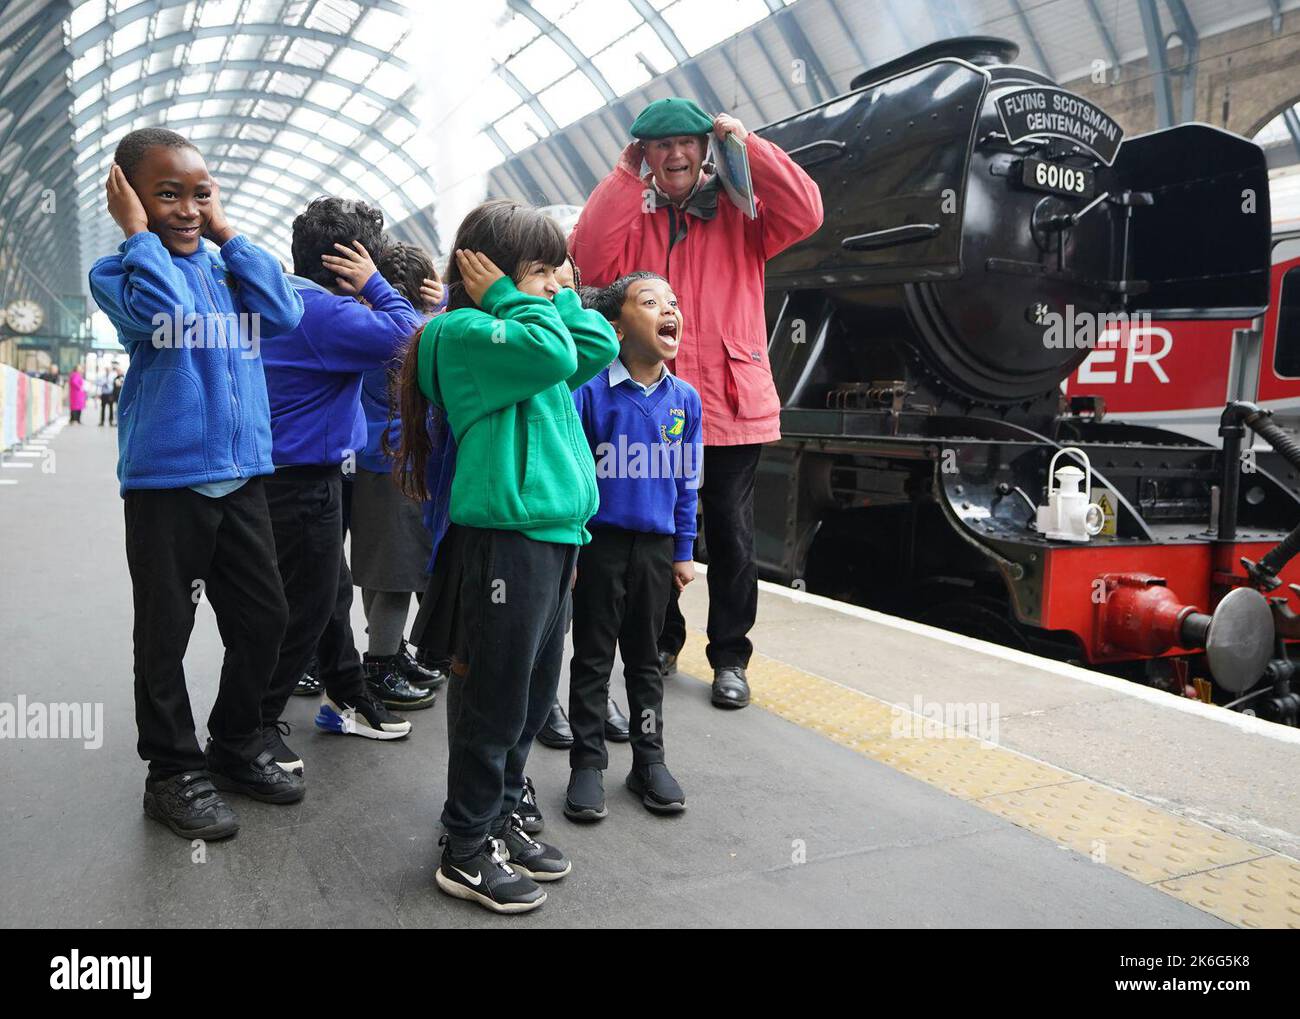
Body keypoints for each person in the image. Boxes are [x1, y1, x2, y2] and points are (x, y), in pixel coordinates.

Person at [393, 198, 619, 914]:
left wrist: (558, 285)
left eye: (560, 269)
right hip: (504, 541)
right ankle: (465, 846)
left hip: (552, 537)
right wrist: (500, 294)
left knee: (526, 701)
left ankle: (495, 818)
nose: (555, 284)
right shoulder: (461, 332)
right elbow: (556, 351)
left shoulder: (526, 325)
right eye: (541, 268)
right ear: (485, 268)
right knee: (493, 700)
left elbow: (597, 346)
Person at [570, 97, 823, 710]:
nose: (675, 154)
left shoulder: (743, 212)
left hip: (731, 403)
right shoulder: (636, 213)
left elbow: (807, 211)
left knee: (733, 537)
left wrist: (750, 145)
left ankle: (731, 657)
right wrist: (625, 177)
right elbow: (589, 255)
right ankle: (662, 639)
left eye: (687, 142)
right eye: (660, 146)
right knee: (654, 533)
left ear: (705, 149)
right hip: (651, 404)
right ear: (646, 155)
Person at [88, 126, 305, 839]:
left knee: (266, 619)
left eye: (199, 193)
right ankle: (174, 770)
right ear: (130, 199)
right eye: (167, 194)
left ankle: (236, 742)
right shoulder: (118, 272)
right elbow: (169, 320)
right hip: (167, 484)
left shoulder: (226, 268)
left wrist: (229, 234)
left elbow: (287, 312)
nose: (186, 209)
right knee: (166, 633)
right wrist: (136, 236)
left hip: (240, 478)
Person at [257, 197, 430, 780]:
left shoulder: (283, 295)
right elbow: (410, 338)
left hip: (287, 477)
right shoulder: (324, 313)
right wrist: (378, 284)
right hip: (302, 481)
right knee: (299, 612)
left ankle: (346, 694)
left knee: (328, 597)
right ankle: (249, 728)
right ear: (352, 260)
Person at [564, 271, 701, 821]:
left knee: (646, 661)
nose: (669, 309)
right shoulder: (590, 392)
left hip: (655, 549)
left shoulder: (684, 399)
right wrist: (573, 546)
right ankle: (587, 763)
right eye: (650, 301)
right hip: (599, 544)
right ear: (617, 327)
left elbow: (688, 481)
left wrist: (684, 549)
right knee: (593, 660)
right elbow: (575, 475)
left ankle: (649, 759)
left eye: (673, 300)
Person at [536, 251, 631, 751]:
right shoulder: (549, 355)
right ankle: (549, 696)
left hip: (598, 512)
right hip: (563, 509)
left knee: (593, 616)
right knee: (556, 614)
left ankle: (588, 697)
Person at [351, 239, 446, 695]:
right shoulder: (416, 332)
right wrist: (444, 303)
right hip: (403, 464)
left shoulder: (363, 326)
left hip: (372, 463)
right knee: (394, 575)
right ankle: (381, 665)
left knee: (382, 569)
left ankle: (387, 652)